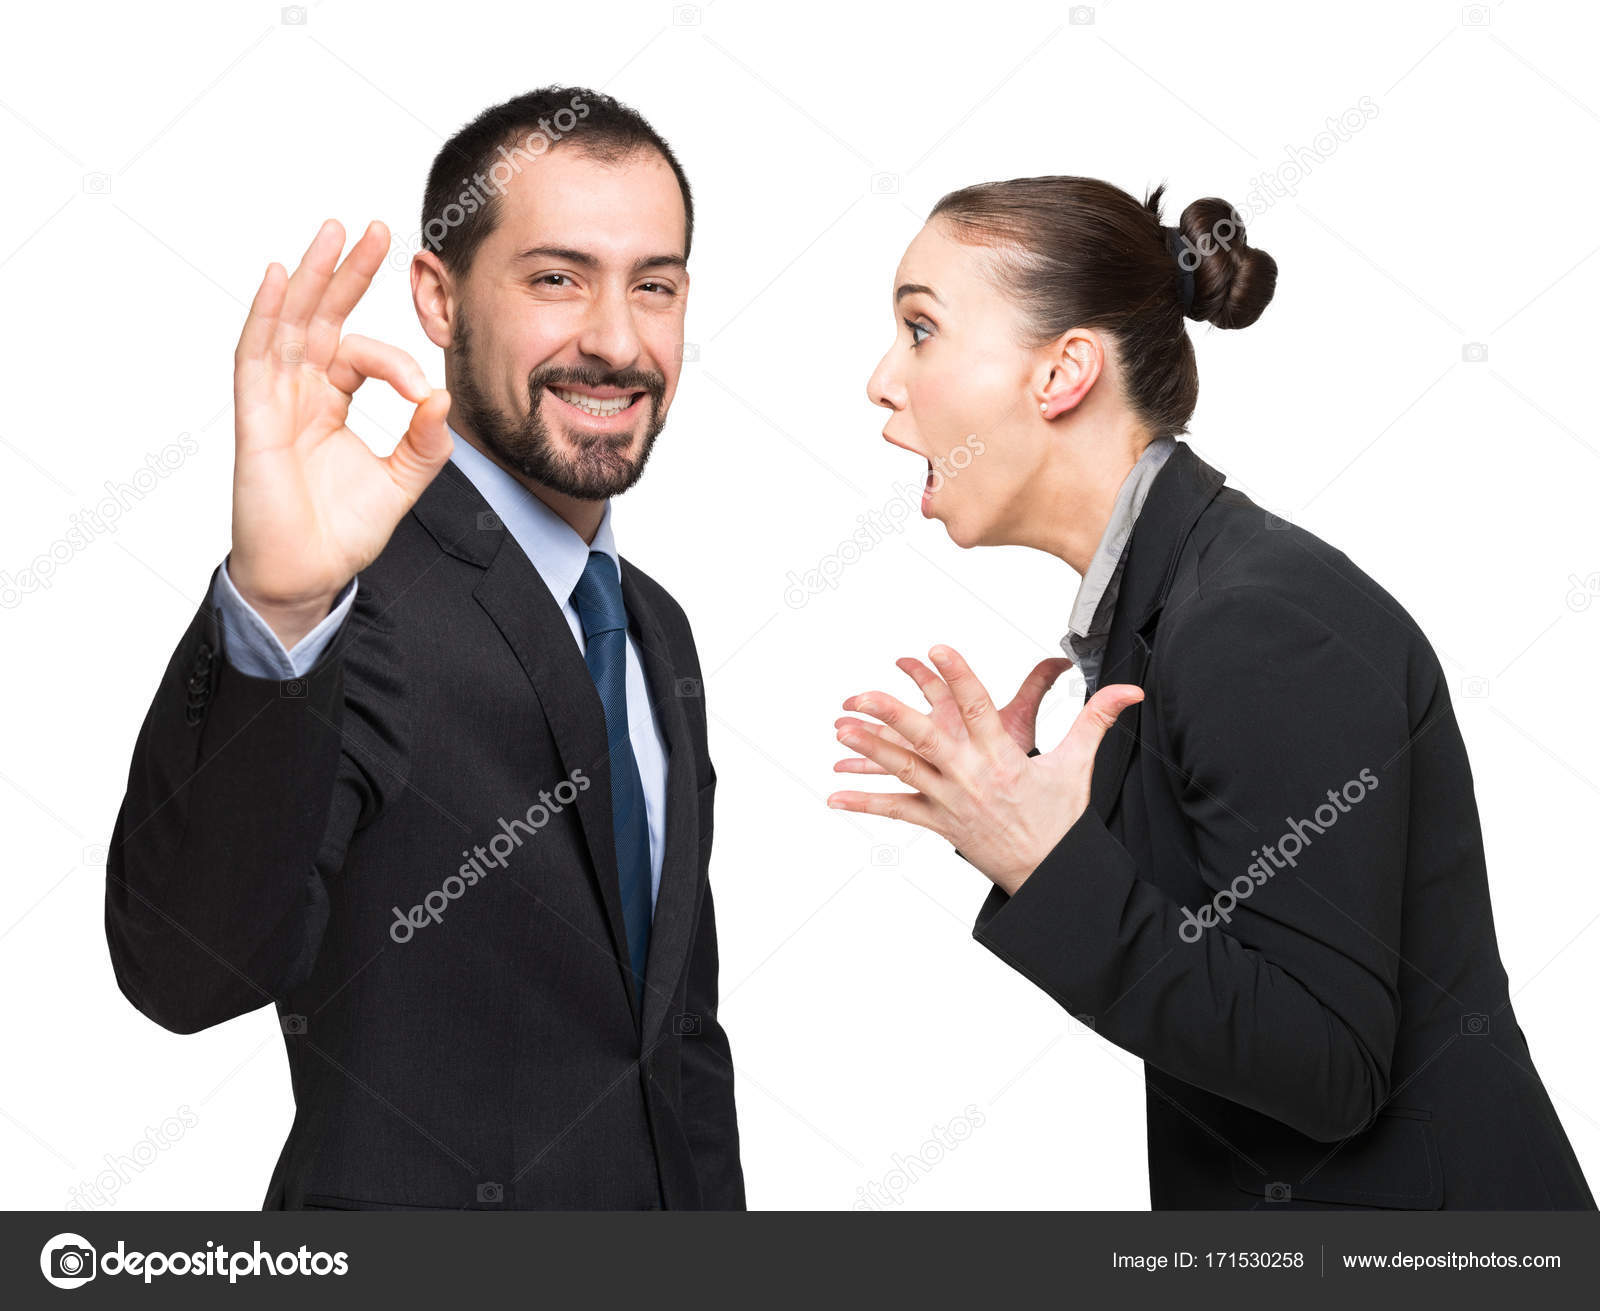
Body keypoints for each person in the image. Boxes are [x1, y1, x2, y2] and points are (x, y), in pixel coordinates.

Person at [828, 175, 1595, 1209]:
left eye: (920, 329)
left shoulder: (1254, 622)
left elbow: (1328, 1069)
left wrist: (1045, 863)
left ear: (1062, 371)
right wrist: (1061, 835)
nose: (882, 380)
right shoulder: (1170, 608)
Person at [105, 87, 744, 1210]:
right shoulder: (357, 598)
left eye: (655, 285)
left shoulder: (653, 623)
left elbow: (673, 1043)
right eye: (556, 279)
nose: (615, 338)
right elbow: (187, 972)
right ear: (439, 301)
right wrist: (281, 609)